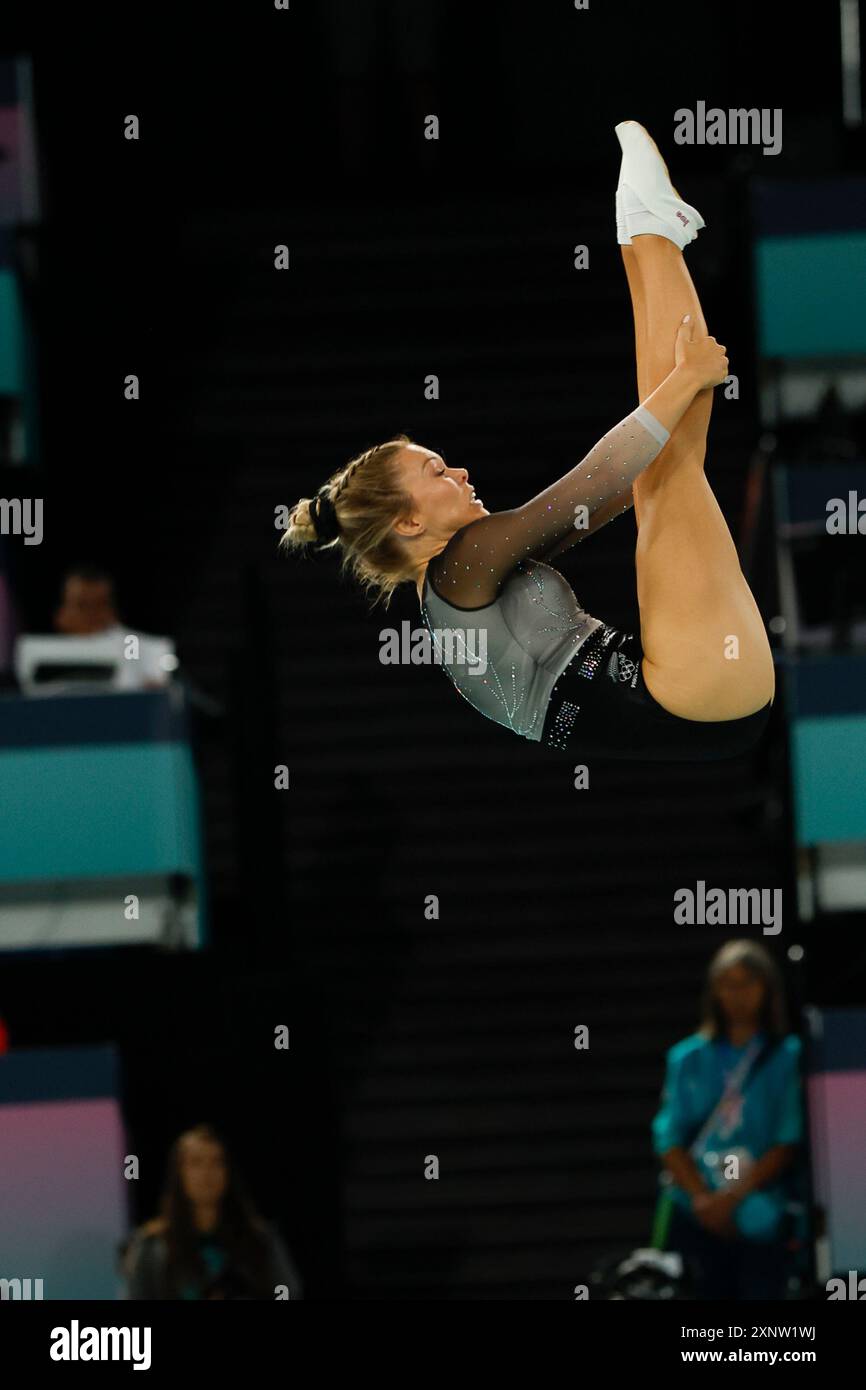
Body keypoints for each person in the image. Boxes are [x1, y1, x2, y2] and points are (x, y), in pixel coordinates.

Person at [281, 122, 776, 761]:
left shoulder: (460, 587)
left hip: (695, 694)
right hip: (690, 692)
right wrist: (685, 382)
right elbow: (592, 483)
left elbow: (599, 498)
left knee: (662, 472)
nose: (458, 472)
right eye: (435, 473)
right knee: (668, 472)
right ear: (407, 521)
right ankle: (649, 234)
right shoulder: (459, 569)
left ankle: (645, 237)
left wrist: (680, 389)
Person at [651, 941, 804, 1300]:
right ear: (714, 990)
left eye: (748, 983)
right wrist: (704, 1199)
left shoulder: (787, 1057)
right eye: (728, 984)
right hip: (695, 1206)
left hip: (758, 1207)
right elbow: (667, 1136)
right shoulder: (688, 1057)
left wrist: (733, 1196)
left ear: (767, 988)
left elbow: (788, 1140)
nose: (738, 995)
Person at [124, 1123, 302, 1300]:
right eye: (196, 1163)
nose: (207, 1173)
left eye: (216, 1162)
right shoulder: (151, 1246)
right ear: (179, 1174)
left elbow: (287, 1294)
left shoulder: (260, 1241)